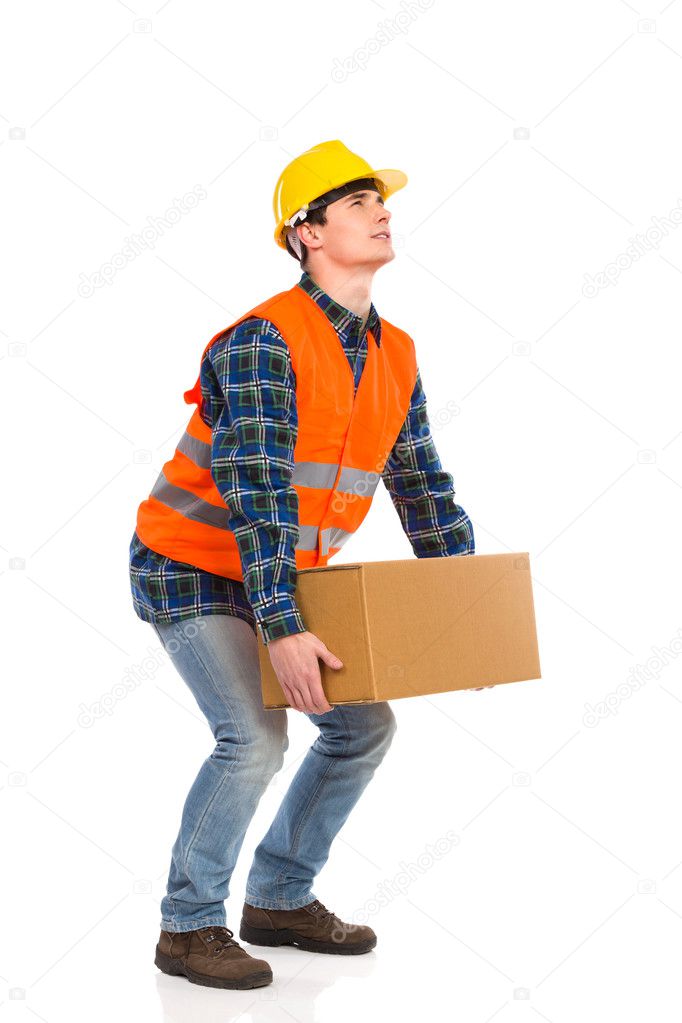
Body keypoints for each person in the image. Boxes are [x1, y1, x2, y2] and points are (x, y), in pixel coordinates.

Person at [128, 139, 475, 990]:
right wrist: (281, 627)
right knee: (252, 736)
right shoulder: (263, 342)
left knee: (363, 726)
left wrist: (464, 602)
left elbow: (421, 484)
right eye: (356, 203)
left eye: (379, 200)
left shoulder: (395, 353)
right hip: (194, 567)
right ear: (307, 233)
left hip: (284, 573)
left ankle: (279, 896)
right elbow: (259, 497)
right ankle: (188, 925)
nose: (381, 210)